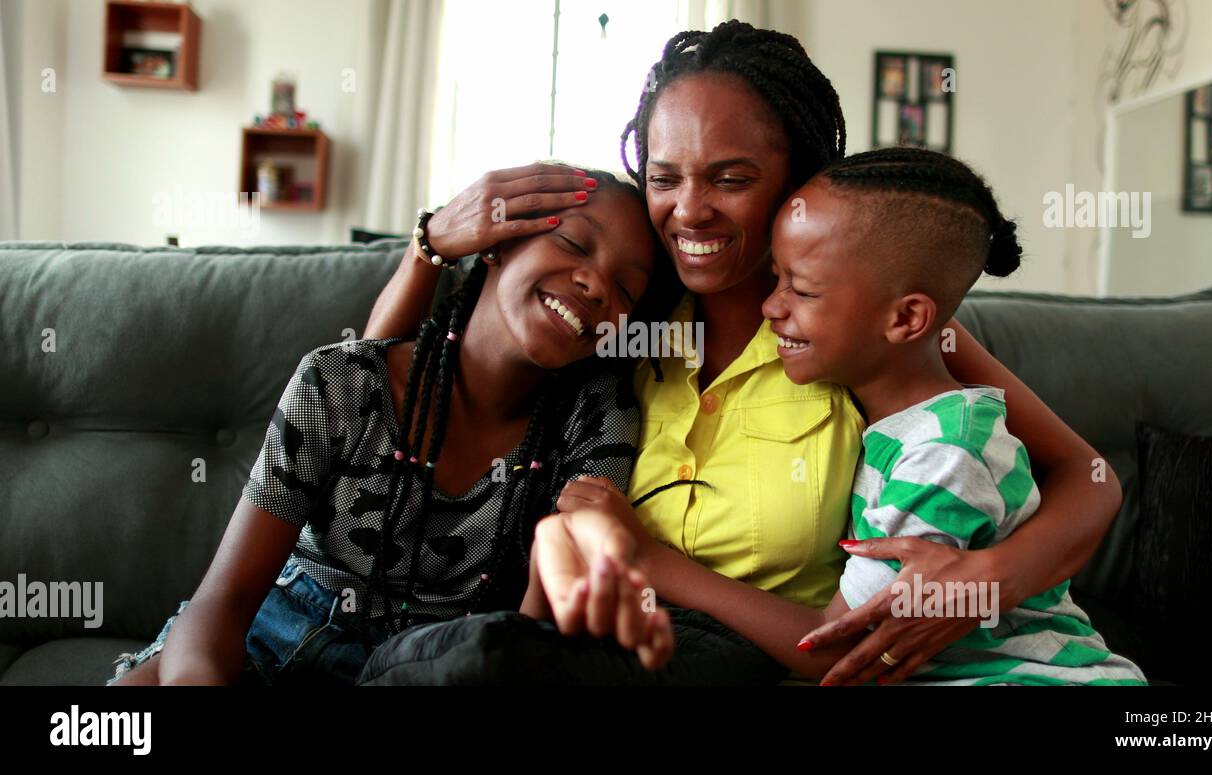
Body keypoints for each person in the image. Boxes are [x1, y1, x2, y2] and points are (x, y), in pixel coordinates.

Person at [358, 21, 1124, 687]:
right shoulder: (624, 305)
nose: (689, 209)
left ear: (796, 184)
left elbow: (1090, 482)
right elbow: (373, 395)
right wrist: (427, 248)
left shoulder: (857, 331)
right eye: (665, 177)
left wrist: (984, 581)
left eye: (731, 177)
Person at [109, 169, 673, 685]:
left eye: (626, 288)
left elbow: (526, 639)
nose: (598, 286)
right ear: (496, 244)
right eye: (575, 244)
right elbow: (224, 599)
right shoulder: (339, 381)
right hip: (276, 629)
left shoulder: (596, 420)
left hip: (429, 664)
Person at [755, 148, 1145, 684]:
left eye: (799, 289)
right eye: (774, 278)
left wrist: (653, 564)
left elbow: (835, 646)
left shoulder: (944, 453)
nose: (770, 307)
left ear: (908, 317)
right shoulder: (906, 418)